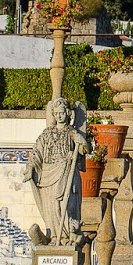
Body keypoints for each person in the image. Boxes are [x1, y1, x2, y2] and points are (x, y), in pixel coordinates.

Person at [26, 97, 88, 246]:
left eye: (62, 113)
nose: (59, 116)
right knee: (51, 207)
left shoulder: (72, 132)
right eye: (56, 113)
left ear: (68, 113)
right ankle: (54, 236)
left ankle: (67, 236)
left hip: (66, 173)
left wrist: (81, 142)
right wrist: (31, 167)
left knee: (65, 206)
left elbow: (84, 149)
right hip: (48, 174)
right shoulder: (47, 133)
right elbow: (36, 152)